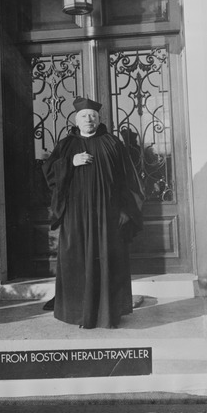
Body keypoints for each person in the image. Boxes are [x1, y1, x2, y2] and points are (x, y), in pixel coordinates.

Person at [42, 97, 144, 329]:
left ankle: (108, 313)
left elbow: (128, 180)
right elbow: (48, 174)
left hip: (108, 216)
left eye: (93, 116)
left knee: (108, 261)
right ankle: (78, 314)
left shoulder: (112, 143)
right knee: (77, 262)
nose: (89, 119)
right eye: (84, 116)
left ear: (99, 119)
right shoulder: (66, 145)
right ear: (76, 120)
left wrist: (126, 211)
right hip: (75, 217)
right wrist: (69, 163)